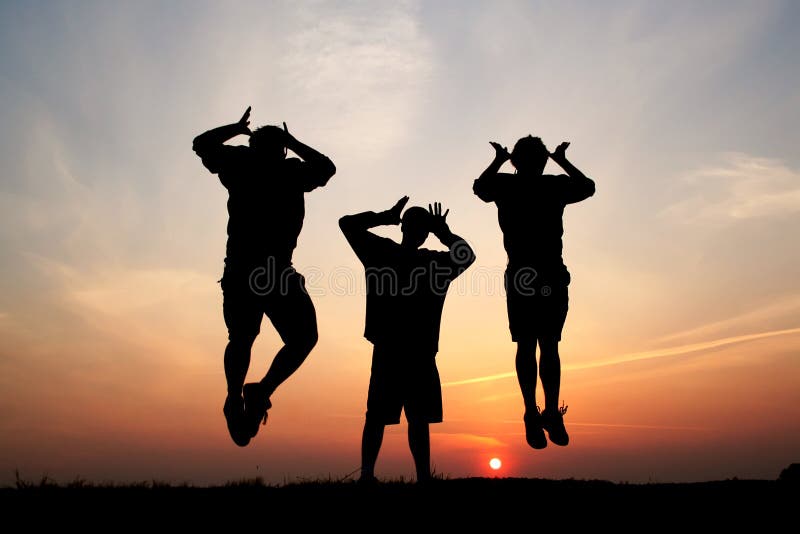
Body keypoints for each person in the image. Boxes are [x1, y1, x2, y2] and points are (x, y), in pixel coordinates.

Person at [193, 107, 336, 446]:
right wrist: (290, 141)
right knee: (275, 338)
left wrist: (236, 129)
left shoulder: (247, 164)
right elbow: (326, 168)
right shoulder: (279, 169)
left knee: (251, 338)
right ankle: (248, 393)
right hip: (260, 270)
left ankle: (244, 394)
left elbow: (202, 144)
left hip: (260, 270)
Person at [340, 198, 475, 482]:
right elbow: (466, 255)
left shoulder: (383, 253)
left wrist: (383, 216)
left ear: (405, 227)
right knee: (411, 417)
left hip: (398, 349)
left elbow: (348, 224)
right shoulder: (431, 262)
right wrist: (445, 232)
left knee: (387, 415)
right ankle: (418, 476)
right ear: (425, 232)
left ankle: (371, 475)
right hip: (412, 350)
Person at [473, 136, 595, 449]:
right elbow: (587, 186)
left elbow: (479, 187)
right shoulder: (546, 186)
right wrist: (560, 160)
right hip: (537, 275)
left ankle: (540, 413)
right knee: (542, 345)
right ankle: (542, 413)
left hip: (535, 275)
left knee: (536, 345)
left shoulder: (513, 185)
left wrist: (501, 159)